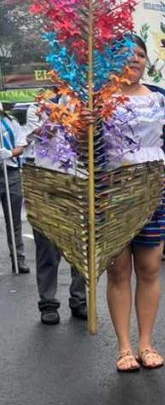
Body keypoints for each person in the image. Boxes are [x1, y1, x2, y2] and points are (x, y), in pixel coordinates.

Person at [101, 35, 165, 372]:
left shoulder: (161, 97)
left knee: (149, 269)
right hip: (112, 191)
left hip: (154, 189)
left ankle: (146, 343)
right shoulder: (98, 100)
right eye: (126, 54)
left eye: (140, 54)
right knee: (118, 270)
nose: (134, 60)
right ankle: (124, 347)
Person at [23, 102, 87, 324]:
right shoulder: (39, 107)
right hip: (47, 185)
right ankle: (48, 303)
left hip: (78, 183)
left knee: (80, 247)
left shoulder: (85, 103)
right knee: (47, 249)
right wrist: (57, 115)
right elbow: (41, 135)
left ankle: (79, 300)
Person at [0, 105, 29, 275]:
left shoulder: (11, 122)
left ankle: (18, 259)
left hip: (10, 173)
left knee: (14, 220)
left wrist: (9, 153)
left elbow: (21, 146)